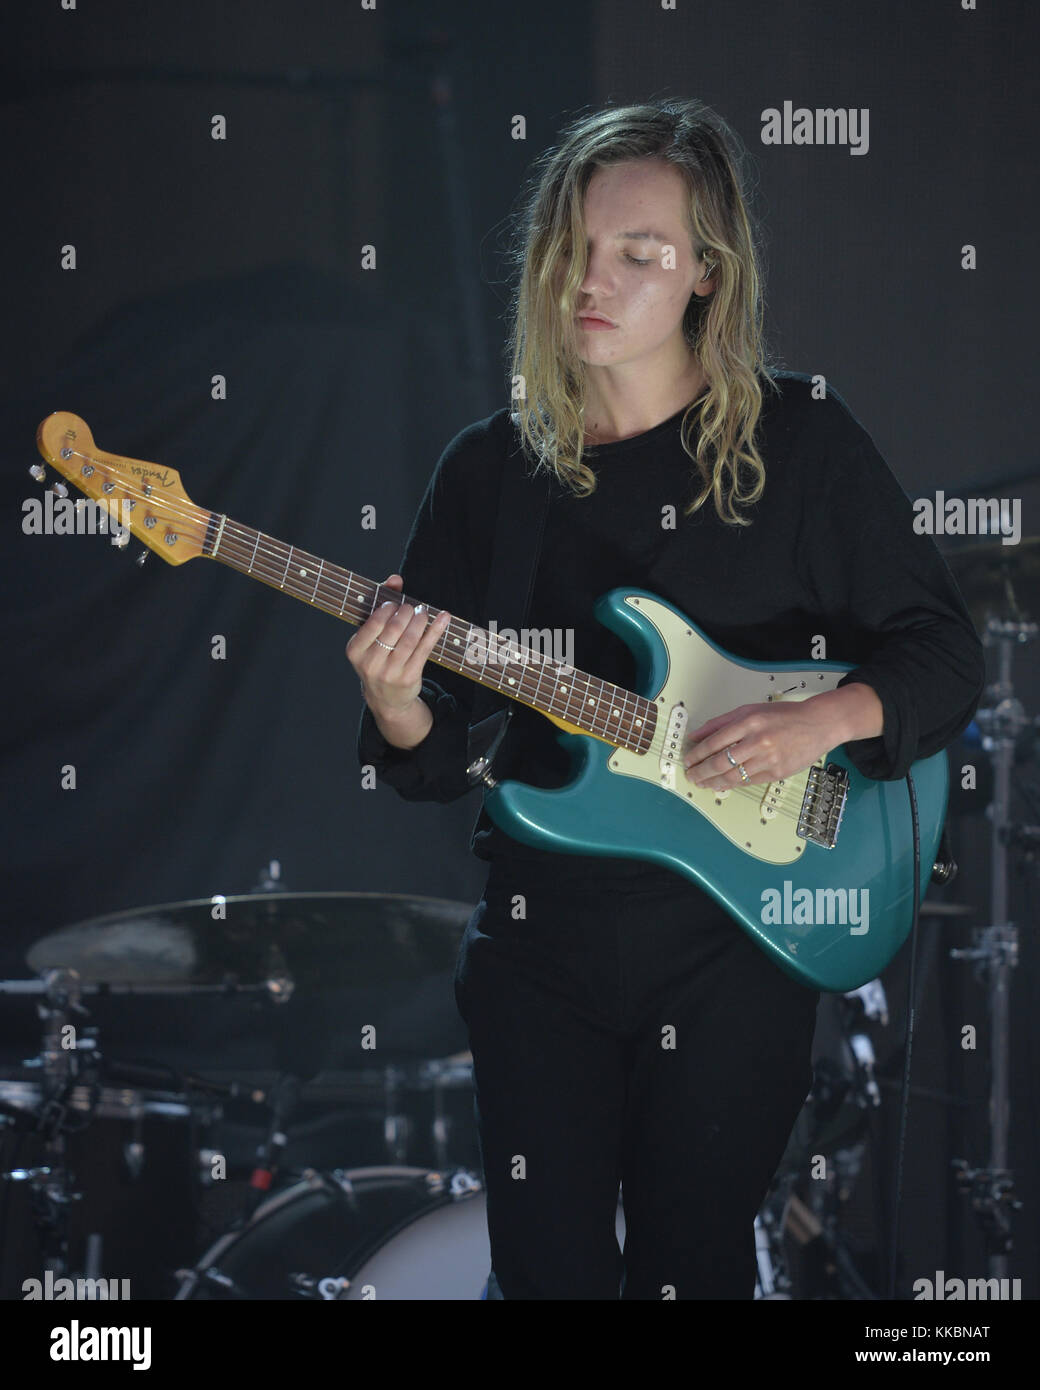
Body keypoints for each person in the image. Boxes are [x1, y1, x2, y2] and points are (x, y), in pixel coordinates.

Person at [347, 98, 986, 1299]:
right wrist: (395, 704)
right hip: (542, 940)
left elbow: (941, 654)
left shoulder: (798, 441)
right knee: (546, 1276)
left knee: (694, 1269)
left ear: (704, 271)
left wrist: (821, 719)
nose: (597, 281)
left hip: (735, 943)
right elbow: (428, 757)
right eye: (577, 251)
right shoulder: (491, 471)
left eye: (639, 254)